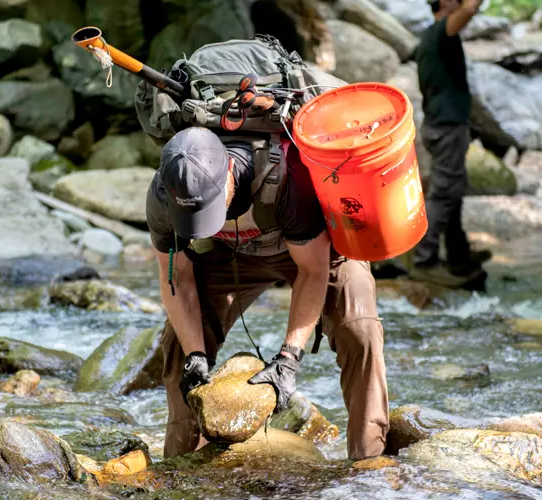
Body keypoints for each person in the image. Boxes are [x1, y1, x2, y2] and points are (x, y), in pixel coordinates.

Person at [148, 127, 389, 460]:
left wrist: (288, 361)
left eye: (211, 207)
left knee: (359, 331)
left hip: (311, 251)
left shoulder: (289, 174)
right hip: (230, 254)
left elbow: (313, 271)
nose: (205, 219)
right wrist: (196, 357)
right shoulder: (163, 195)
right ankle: (179, 468)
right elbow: (176, 277)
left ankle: (368, 463)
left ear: (229, 171)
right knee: (179, 343)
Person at [410, 0, 490, 287]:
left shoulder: (428, 37)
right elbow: (468, 10)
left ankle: (458, 255)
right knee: (444, 193)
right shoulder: (442, 31)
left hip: (437, 125)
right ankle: (424, 260)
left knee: (452, 190)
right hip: (447, 127)